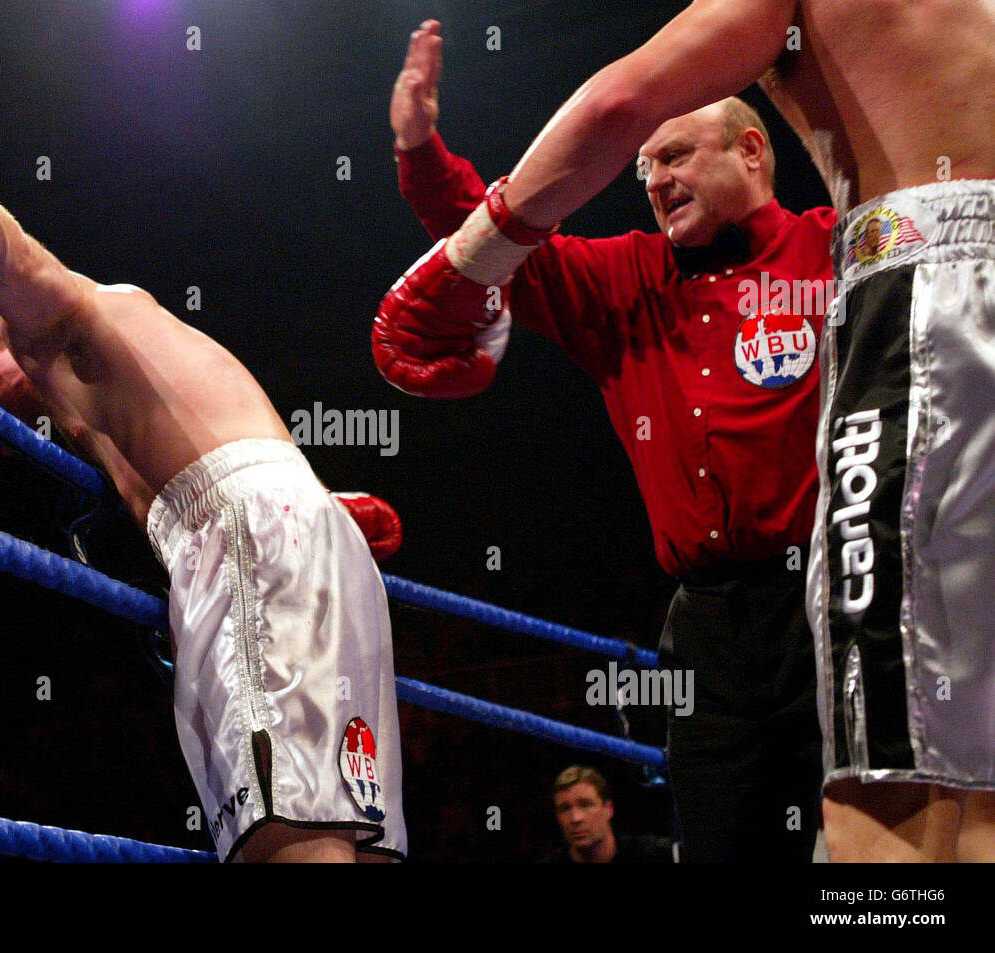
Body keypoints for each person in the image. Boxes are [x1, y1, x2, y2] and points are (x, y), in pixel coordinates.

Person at [0, 37, 407, 863]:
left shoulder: (53, 334)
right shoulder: (100, 396)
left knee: (286, 841)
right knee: (349, 841)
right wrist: (325, 510)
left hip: (244, 536)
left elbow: (4, 249)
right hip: (292, 530)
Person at [381, 1, 995, 862]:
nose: (655, 179)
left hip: (821, 584)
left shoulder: (839, 250)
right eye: (643, 170)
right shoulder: (624, 279)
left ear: (751, 150)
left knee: (893, 788)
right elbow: (502, 242)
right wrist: (419, 153)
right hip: (709, 624)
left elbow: (607, 109)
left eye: (674, 155)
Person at [541, 766, 672, 863]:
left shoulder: (653, 855)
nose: (575, 818)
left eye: (586, 804)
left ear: (608, 808)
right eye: (565, 809)